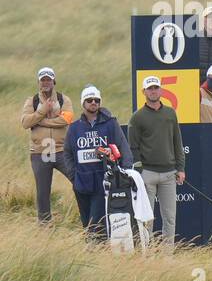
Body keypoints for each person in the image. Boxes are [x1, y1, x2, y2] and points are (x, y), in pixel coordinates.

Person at [64, 85, 133, 238]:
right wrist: (73, 177)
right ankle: (92, 252)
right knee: (86, 222)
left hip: (104, 182)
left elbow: (123, 147)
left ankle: (96, 249)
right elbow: (67, 153)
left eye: (96, 100)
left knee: (96, 223)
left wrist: (126, 171)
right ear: (83, 103)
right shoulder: (74, 128)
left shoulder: (110, 123)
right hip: (81, 182)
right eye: (89, 100)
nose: (93, 102)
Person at [128, 75, 186, 250]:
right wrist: (141, 172)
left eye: (155, 88)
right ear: (143, 91)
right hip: (149, 174)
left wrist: (180, 168)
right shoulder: (137, 117)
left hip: (169, 173)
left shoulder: (170, 113)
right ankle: (148, 253)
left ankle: (167, 255)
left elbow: (178, 142)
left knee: (170, 217)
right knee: (147, 217)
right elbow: (133, 147)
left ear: (160, 90)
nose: (153, 91)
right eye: (150, 88)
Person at [20, 66, 75, 223]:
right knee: (43, 192)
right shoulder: (32, 101)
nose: (45, 83)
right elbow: (25, 122)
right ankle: (44, 225)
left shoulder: (64, 99)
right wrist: (42, 111)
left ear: (54, 81)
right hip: (40, 152)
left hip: (61, 151)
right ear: (38, 82)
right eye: (43, 80)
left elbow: (67, 119)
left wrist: (41, 121)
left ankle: (86, 214)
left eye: (48, 80)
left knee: (77, 180)